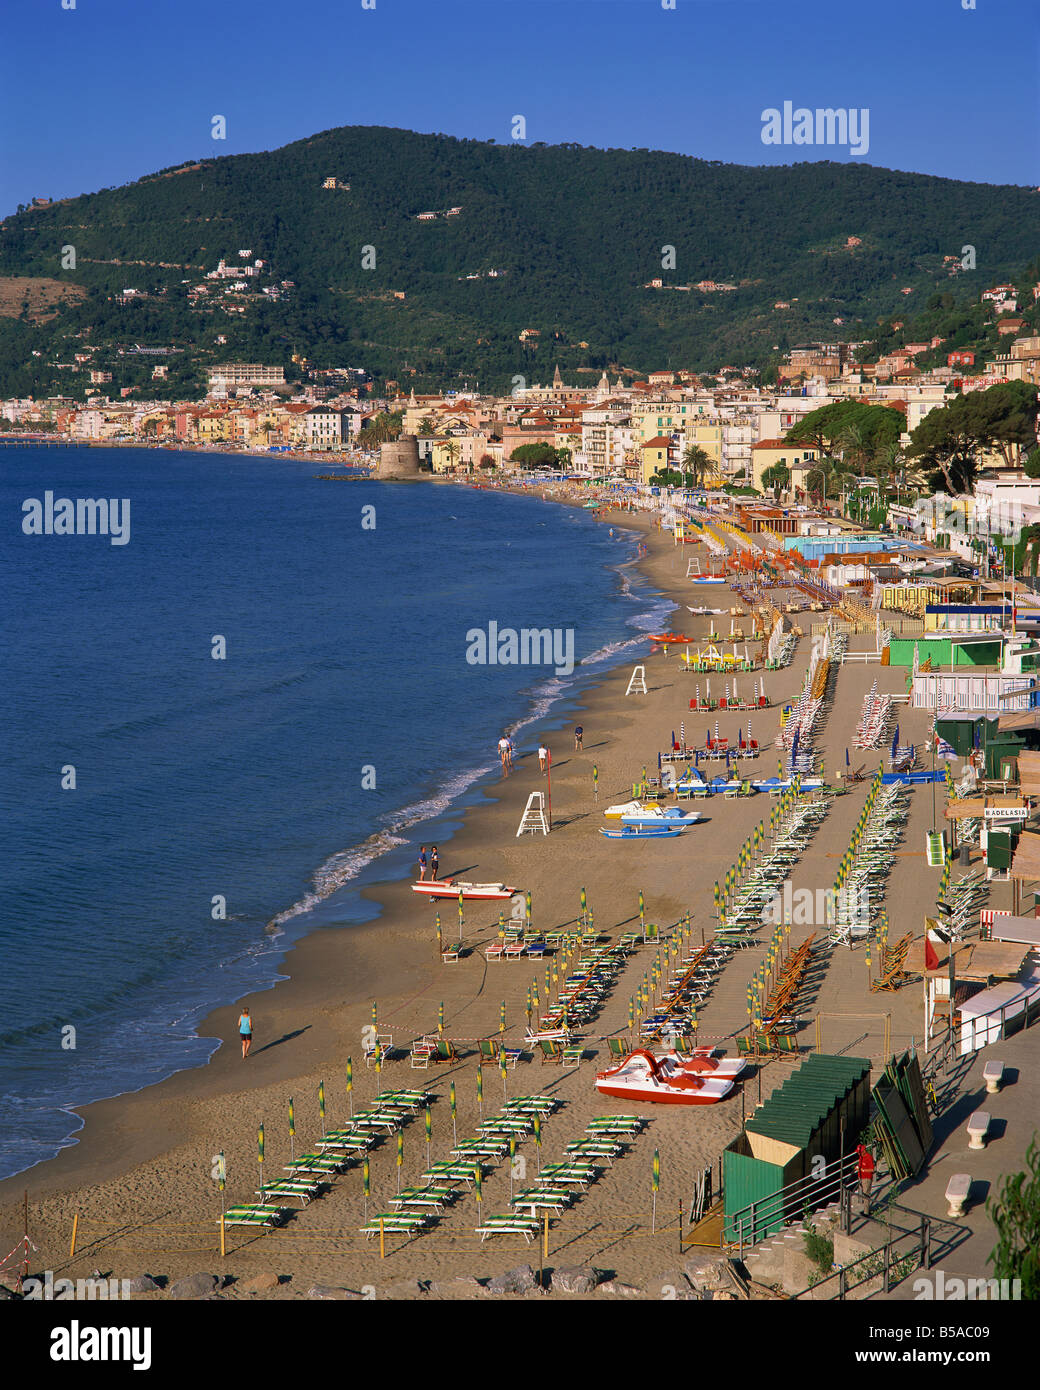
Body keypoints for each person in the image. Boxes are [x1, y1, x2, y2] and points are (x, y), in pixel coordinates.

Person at [856, 1143, 875, 1210]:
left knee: (866, 1194)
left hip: (866, 1178)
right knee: (863, 1194)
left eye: (859, 1152)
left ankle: (866, 1212)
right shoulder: (861, 1157)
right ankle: (865, 1209)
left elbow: (872, 1169)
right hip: (861, 1177)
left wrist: (863, 1170)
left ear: (863, 1151)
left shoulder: (869, 1158)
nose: (858, 1154)